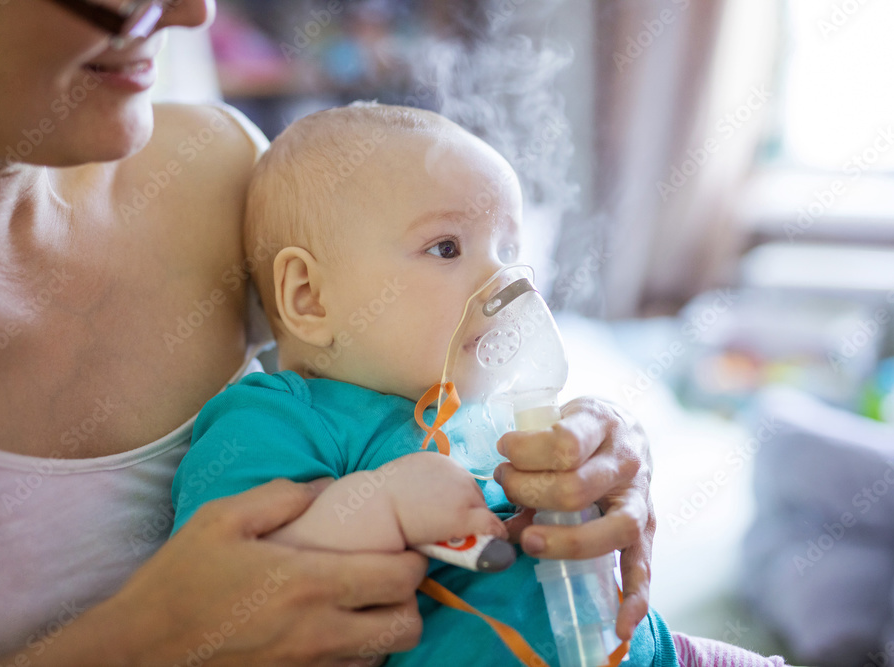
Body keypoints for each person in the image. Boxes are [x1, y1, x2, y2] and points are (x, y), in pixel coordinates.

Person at [0, 2, 655, 665]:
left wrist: (602, 452)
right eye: (446, 249)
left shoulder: (216, 169)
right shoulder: (281, 421)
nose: (196, 11)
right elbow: (272, 547)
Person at [170, 103, 788, 667]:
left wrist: (584, 473)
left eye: (510, 249)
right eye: (446, 247)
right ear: (309, 297)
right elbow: (231, 596)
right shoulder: (280, 420)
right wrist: (384, 507)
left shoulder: (492, 411)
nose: (507, 281)